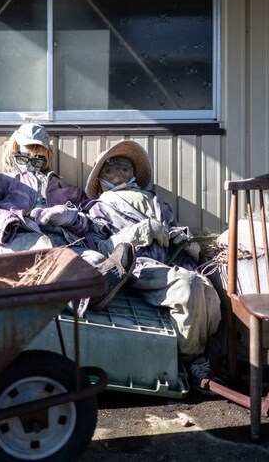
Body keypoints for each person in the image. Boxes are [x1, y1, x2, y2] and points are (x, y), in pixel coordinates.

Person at [82, 140, 222, 386]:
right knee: (187, 286)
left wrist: (184, 240)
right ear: (100, 179)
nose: (117, 174)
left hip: (173, 261)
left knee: (208, 291)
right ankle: (192, 359)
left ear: (134, 173)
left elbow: (175, 230)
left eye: (124, 168)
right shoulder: (99, 208)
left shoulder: (156, 202)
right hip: (139, 266)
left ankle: (202, 352)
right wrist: (140, 231)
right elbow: (101, 247)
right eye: (110, 170)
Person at [0, 123, 135, 313]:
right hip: (19, 237)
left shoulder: (64, 188)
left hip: (63, 239)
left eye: (37, 160)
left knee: (96, 259)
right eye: (22, 158)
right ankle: (85, 294)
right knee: (44, 251)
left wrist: (71, 218)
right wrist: (19, 220)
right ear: (13, 151)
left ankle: (95, 290)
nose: (29, 165)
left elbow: (92, 219)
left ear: (46, 158)